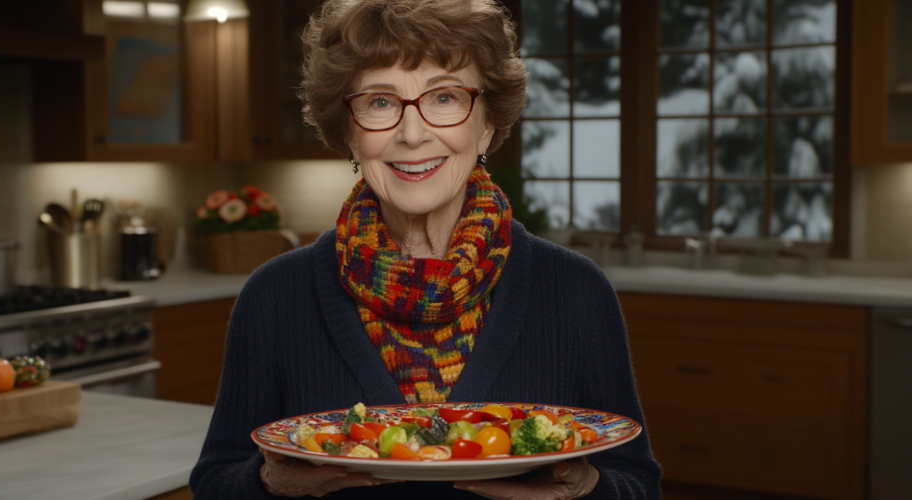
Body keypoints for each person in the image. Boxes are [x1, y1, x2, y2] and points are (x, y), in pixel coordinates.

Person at [189, 1, 661, 498]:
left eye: (444, 97)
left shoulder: (576, 292)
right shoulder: (275, 296)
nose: (412, 134)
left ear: (486, 124)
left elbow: (636, 482)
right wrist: (268, 483)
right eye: (379, 102)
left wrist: (587, 490)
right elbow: (217, 481)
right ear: (348, 132)